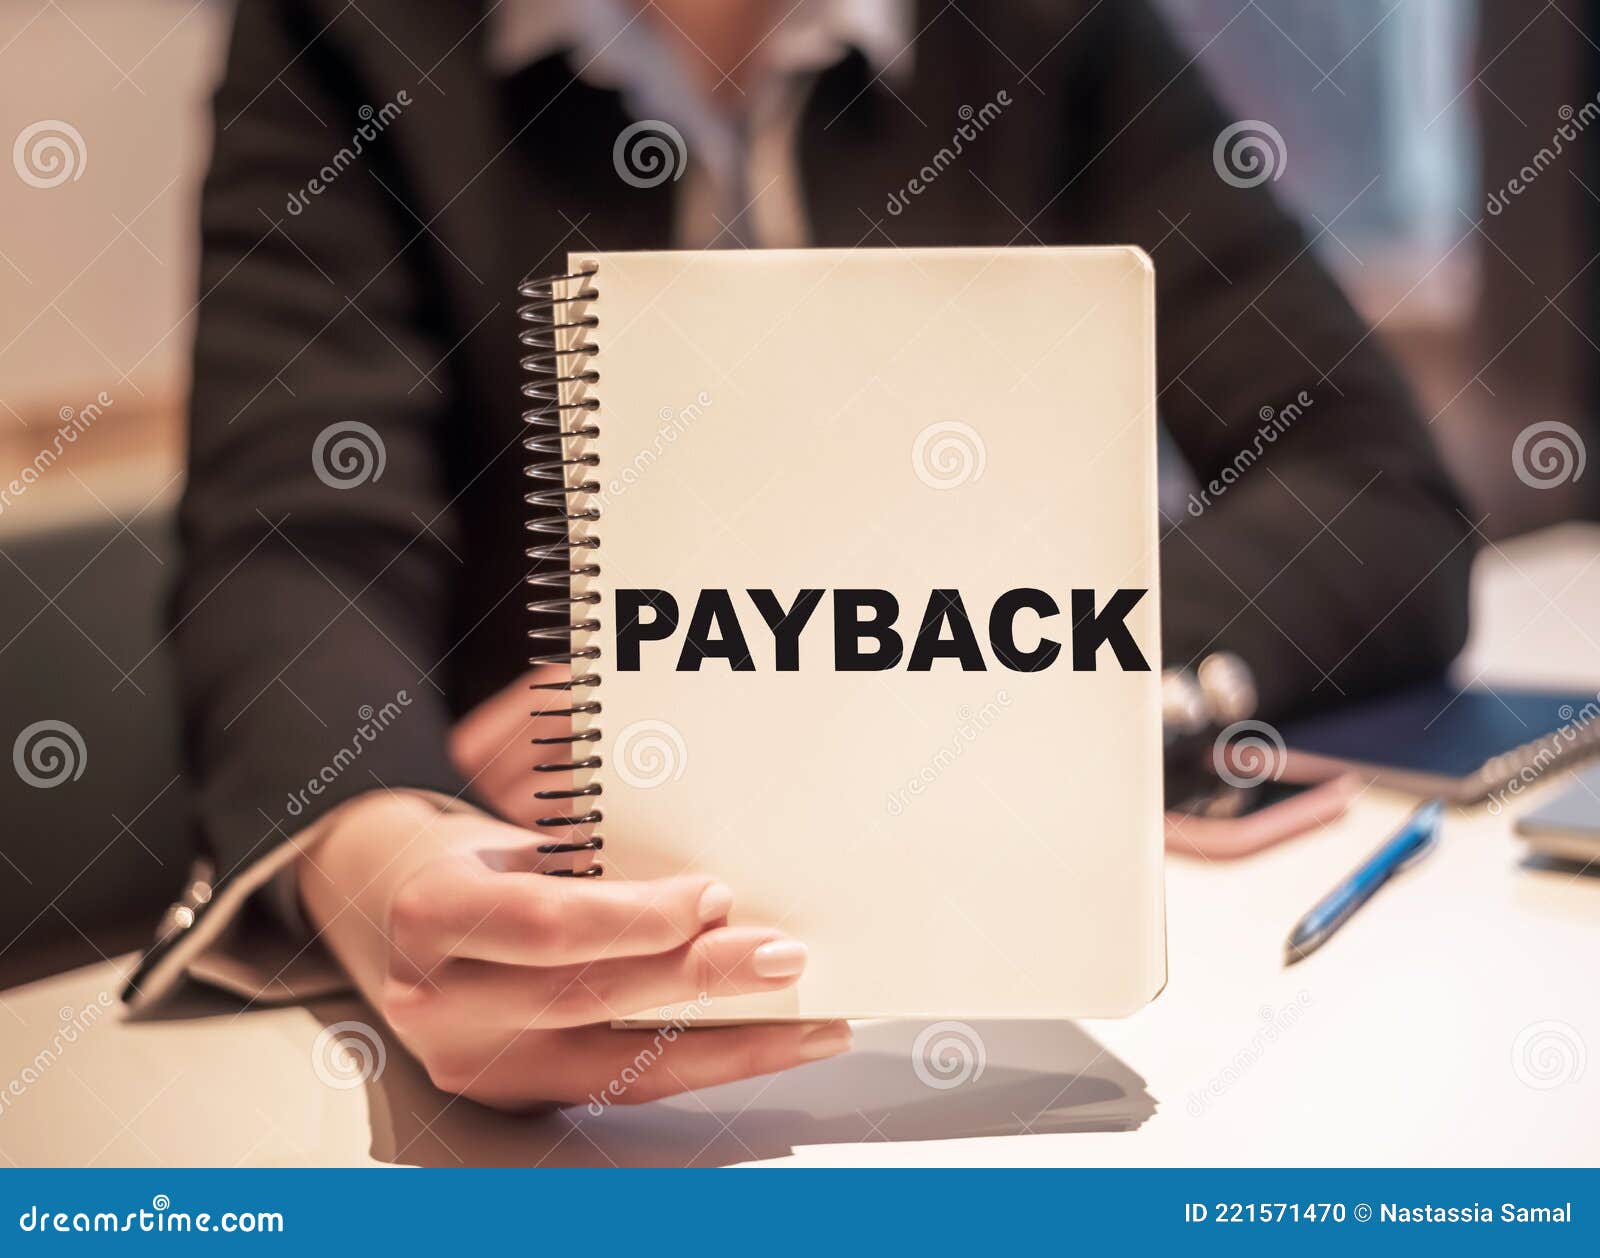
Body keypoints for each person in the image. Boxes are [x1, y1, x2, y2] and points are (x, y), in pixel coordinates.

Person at [143, 0, 1473, 1111]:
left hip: (967, 980)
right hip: (554, 965)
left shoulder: (1048, 26)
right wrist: (383, 862)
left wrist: (918, 667)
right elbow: (290, 546)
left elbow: (1375, 491)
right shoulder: (346, 30)